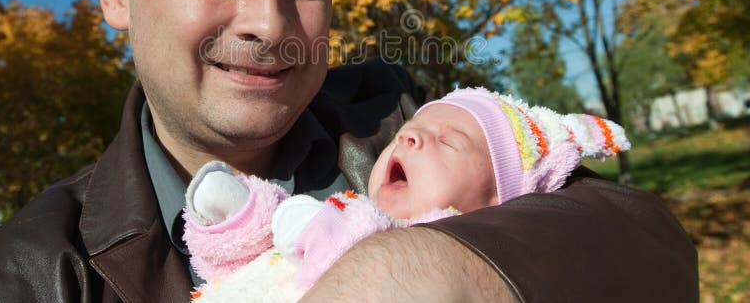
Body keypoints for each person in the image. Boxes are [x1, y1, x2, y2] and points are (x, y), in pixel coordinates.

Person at [0, 0, 698, 302]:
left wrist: (434, 272)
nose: (270, 23)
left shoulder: (403, 115)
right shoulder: (32, 275)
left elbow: (646, 236)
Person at [182, 86, 633, 302]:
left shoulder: (429, 246)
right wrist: (243, 222)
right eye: (412, 131)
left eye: (450, 140)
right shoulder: (348, 210)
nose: (408, 139)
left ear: (502, 204)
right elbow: (265, 260)